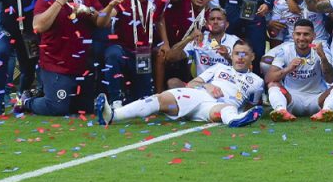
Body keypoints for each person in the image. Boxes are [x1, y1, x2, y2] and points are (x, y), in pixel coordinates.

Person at [95, 39, 265, 128]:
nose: (240, 57)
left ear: (252, 57)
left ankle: (235, 120)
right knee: (159, 99)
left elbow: (253, 105)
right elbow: (191, 84)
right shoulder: (219, 67)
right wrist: (208, 86)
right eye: (237, 53)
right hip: (197, 95)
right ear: (232, 55)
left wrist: (243, 110)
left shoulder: (257, 81)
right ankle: (113, 115)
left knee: (225, 110)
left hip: (219, 107)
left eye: (244, 54)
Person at [14, 0, 103, 116]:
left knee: (85, 109)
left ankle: (45, 91)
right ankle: (27, 100)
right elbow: (38, 26)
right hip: (55, 64)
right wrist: (59, 1)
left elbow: (102, 19)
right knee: (57, 108)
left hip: (82, 65)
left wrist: (88, 10)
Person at [97, 0, 171, 105]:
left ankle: (130, 100)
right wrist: (111, 5)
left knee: (142, 100)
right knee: (113, 55)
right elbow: (101, 22)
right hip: (121, 48)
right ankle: (115, 100)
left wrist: (166, 43)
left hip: (143, 53)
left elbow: (160, 19)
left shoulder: (157, 1)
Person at [263, 19, 333, 122]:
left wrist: (323, 58)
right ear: (293, 35)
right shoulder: (285, 51)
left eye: (306, 34)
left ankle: (326, 111)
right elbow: (268, 78)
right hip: (292, 99)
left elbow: (330, 79)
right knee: (272, 85)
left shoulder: (321, 49)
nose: (301, 38)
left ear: (313, 36)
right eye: (298, 34)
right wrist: (288, 68)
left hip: (317, 99)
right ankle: (281, 111)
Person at [160, 0, 215, 90]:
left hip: (185, 55)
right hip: (166, 46)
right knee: (161, 54)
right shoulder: (181, 0)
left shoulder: (209, 15)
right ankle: (157, 92)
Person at [166, 7, 241, 85]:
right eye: (212, 19)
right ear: (207, 24)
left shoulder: (235, 41)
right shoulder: (198, 39)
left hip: (226, 85)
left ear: (227, 24)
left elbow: (246, 68)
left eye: (219, 19)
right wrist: (189, 38)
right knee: (173, 82)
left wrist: (227, 57)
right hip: (200, 85)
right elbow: (170, 57)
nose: (215, 22)